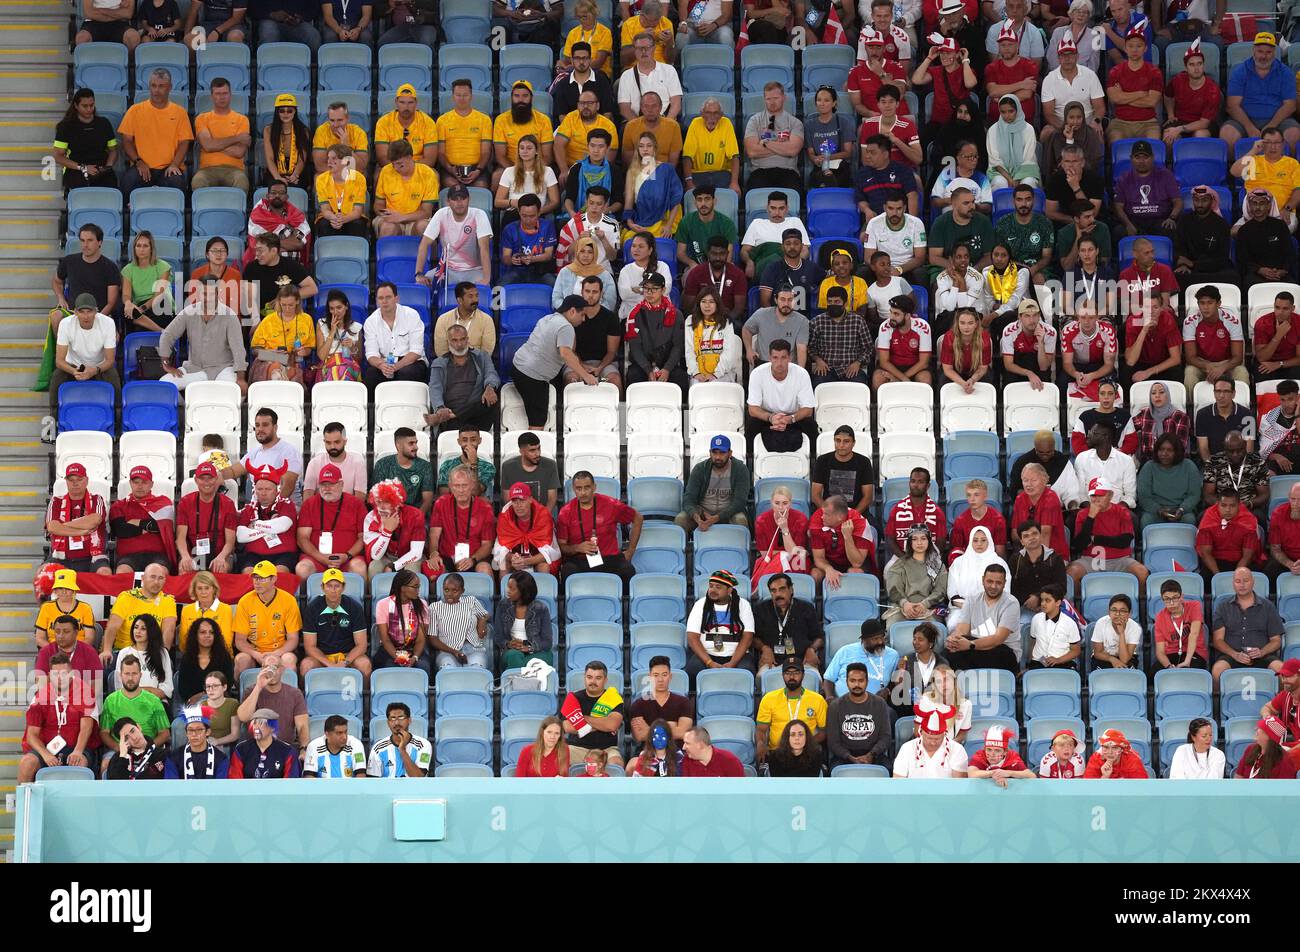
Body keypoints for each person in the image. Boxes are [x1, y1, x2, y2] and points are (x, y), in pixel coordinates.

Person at [17, 653, 98, 783]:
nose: (60, 678)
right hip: (47, 748)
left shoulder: (84, 691)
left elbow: (86, 727)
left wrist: (77, 751)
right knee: (27, 763)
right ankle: (24, 802)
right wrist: (45, 754)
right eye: (56, 674)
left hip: (76, 746)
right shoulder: (40, 697)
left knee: (79, 763)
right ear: (49, 675)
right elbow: (32, 735)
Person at [117, 68, 192, 195]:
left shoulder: (180, 112)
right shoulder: (135, 111)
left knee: (178, 183)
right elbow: (127, 141)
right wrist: (138, 162)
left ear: (170, 87)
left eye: (161, 86)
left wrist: (174, 164)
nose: (156, 91)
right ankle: (131, 212)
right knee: (128, 181)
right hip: (141, 166)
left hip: (168, 167)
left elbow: (184, 142)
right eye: (153, 86)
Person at [1222, 33, 1300, 152]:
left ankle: (1288, 168)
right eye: (1260, 51)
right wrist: (1249, 127)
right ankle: (1233, 169)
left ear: (1274, 52)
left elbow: (1290, 106)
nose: (1263, 56)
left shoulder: (1285, 73)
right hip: (1244, 119)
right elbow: (1232, 106)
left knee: (1294, 134)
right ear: (1253, 50)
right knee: (1227, 134)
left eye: (1268, 52)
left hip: (1278, 120)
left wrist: (1271, 126)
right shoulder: (1240, 71)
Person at [49, 295, 120, 422]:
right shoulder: (65, 324)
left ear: (96, 311)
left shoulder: (108, 323)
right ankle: (53, 425)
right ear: (75, 312)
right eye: (81, 312)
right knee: (56, 378)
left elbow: (110, 360)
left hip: (99, 365)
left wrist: (94, 370)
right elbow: (59, 361)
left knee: (115, 381)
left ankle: (117, 427)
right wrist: (74, 372)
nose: (86, 316)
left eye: (89, 311)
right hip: (73, 366)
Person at [1211, 566, 1286, 685]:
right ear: (1233, 583)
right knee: (1217, 671)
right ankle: (1219, 703)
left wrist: (1262, 652)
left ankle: (1284, 703)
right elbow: (1218, 640)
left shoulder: (1268, 607)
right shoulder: (1223, 607)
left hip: (1262, 655)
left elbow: (1276, 641)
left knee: (1282, 671)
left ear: (1253, 582)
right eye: (1238, 581)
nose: (1242, 585)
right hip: (1232, 655)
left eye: (1246, 581)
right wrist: (1234, 654)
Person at [294, 463, 368, 580]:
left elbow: (363, 537)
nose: (327, 488)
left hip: (348, 559)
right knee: (302, 569)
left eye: (331, 484)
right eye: (323, 484)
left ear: (341, 484)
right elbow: (302, 538)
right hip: (317, 558)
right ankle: (304, 599)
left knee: (359, 568)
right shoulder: (309, 504)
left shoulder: (356, 504)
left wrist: (347, 555)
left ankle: (361, 598)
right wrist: (321, 557)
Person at [745, 338, 818, 455]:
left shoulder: (801, 374)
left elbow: (808, 410)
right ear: (769, 358)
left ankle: (813, 463)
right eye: (775, 358)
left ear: (789, 357)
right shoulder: (757, 373)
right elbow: (753, 409)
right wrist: (771, 418)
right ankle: (750, 463)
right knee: (751, 425)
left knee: (811, 426)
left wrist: (790, 419)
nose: (779, 363)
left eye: (783, 358)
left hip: (793, 416)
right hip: (767, 416)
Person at [98, 655, 170, 772]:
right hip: (119, 749)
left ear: (140, 675)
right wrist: (119, 748)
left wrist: (147, 747)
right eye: (127, 674)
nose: (130, 678)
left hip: (148, 748)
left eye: (134, 674)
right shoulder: (110, 701)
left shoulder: (154, 700)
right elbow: (104, 733)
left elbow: (165, 733)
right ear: (120, 675)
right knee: (106, 765)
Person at [685, 569, 756, 684]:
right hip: (707, 655)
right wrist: (709, 662)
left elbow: (747, 638)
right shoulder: (700, 604)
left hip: (736, 656)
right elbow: (692, 637)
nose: (712, 590)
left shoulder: (743, 605)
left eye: (718, 587)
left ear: (729, 590)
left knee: (747, 671)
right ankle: (695, 702)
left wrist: (733, 663)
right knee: (693, 670)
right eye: (711, 586)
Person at [427, 326, 500, 436]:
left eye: (462, 339)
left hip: (477, 417)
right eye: (454, 340)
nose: (459, 344)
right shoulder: (439, 363)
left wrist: (490, 387)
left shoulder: (482, 356)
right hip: (452, 420)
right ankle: (449, 415)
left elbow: (491, 373)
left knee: (492, 399)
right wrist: (440, 408)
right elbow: (435, 388)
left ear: (467, 339)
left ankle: (451, 415)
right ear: (448, 342)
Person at [232, 562, 302, 676]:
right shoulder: (245, 601)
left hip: (281, 650)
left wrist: (275, 654)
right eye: (255, 578)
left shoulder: (288, 600)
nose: (257, 582)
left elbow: (293, 639)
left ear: (273, 579)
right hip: (254, 651)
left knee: (289, 660)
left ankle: (288, 693)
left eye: (262, 578)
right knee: (241, 660)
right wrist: (256, 654)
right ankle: (245, 694)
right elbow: (240, 640)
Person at [49, 224, 120, 337]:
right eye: (82, 241)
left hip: (99, 314)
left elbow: (111, 303)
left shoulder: (110, 267)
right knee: (56, 316)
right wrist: (61, 298)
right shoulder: (69, 261)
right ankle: (62, 352)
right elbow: (56, 281)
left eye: (90, 240)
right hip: (73, 313)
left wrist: (94, 318)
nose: (85, 245)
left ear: (100, 242)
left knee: (115, 337)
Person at [300, 567, 371, 680]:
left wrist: (345, 662)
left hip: (348, 654)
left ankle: (365, 697)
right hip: (322, 656)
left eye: (337, 586)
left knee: (364, 664)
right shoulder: (312, 608)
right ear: (322, 587)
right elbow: (310, 647)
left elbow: (361, 645)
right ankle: (304, 697)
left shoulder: (354, 607)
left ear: (343, 587)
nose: (333, 590)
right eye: (329, 586)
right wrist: (330, 664)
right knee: (306, 665)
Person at [415, 185, 494, 286]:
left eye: (463, 198)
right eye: (455, 199)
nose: (459, 203)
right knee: (420, 285)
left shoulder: (479, 215)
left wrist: (486, 279)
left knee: (483, 290)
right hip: (447, 270)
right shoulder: (441, 214)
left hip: (474, 270)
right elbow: (424, 244)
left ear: (469, 199)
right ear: (448, 201)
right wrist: (418, 273)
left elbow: (484, 248)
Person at [676, 434, 751, 535]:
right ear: (710, 453)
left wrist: (716, 518)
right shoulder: (700, 469)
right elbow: (689, 498)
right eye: (714, 453)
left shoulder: (740, 469)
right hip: (702, 513)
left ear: (730, 453)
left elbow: (739, 502)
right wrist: (696, 517)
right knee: (681, 519)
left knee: (740, 520)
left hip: (729, 513)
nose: (718, 457)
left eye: (722, 453)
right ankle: (683, 550)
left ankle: (740, 550)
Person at [101, 561, 176, 659]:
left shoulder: (168, 600)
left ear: (165, 580)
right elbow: (112, 627)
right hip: (123, 652)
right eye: (152, 577)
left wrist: (162, 654)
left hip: (151, 654)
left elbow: (168, 630)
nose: (156, 582)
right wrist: (107, 650)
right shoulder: (126, 597)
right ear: (143, 579)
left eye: (160, 578)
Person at [625, 271, 687, 389]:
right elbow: (635, 347)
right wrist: (648, 369)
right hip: (643, 365)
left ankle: (681, 408)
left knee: (680, 377)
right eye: (646, 288)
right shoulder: (634, 314)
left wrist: (667, 368)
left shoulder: (676, 314)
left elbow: (678, 346)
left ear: (663, 290)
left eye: (654, 289)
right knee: (634, 376)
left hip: (667, 362)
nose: (649, 292)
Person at [361, 282, 428, 391]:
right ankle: (377, 407)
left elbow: (416, 351)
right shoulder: (370, 322)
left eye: (388, 297)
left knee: (405, 374)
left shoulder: (411, 315)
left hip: (411, 361)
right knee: (371, 375)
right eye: (381, 298)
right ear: (377, 301)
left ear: (396, 298)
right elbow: (371, 354)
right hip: (384, 362)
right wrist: (382, 365)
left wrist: (396, 367)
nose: (384, 301)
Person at [1182, 284, 1247, 394]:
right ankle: (1191, 408)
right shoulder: (1190, 322)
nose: (1205, 307)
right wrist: (1207, 366)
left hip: (1227, 363)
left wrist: (1222, 368)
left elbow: (1238, 357)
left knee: (1242, 373)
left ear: (1218, 304)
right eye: (1202, 303)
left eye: (1210, 303)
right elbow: (1190, 357)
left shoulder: (1232, 321)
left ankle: (1241, 408)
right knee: (1190, 373)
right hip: (1202, 364)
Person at [825, 662, 891, 768]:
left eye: (861, 681)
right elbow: (833, 742)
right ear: (846, 682)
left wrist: (871, 755)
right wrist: (850, 757)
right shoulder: (835, 706)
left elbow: (885, 737)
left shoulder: (880, 703)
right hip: (844, 757)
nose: (857, 685)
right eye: (852, 681)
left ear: (867, 682)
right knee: (834, 771)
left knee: (887, 768)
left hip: (874, 755)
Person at [753, 573, 823, 672]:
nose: (778, 594)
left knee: (813, 677)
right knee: (763, 677)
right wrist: (764, 648)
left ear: (791, 589)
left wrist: (811, 649)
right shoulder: (761, 609)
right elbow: (753, 637)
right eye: (773, 591)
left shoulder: (806, 608)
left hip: (802, 660)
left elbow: (819, 637)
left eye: (782, 589)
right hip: (772, 660)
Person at [51, 88, 118, 192]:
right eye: (85, 106)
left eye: (92, 105)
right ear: (76, 106)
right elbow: (58, 156)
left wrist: (108, 167)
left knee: (111, 191)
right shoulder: (65, 127)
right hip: (76, 170)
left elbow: (113, 150)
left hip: (101, 169)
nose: (89, 109)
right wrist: (83, 167)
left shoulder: (104, 123)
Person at [561, 660, 625, 767]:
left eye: (598, 678)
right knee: (559, 759)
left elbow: (612, 724)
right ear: (584, 678)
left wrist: (582, 719)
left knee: (616, 764)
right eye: (589, 677)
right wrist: (602, 723)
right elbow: (568, 726)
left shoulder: (613, 698)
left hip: (606, 749)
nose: (593, 681)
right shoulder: (574, 698)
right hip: (577, 748)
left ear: (605, 680)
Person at [192, 77, 251, 193]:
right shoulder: (202, 118)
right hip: (207, 170)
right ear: (212, 96)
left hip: (234, 170)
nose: (222, 97)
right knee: (198, 181)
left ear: (230, 94)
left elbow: (239, 152)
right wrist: (237, 138)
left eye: (225, 93)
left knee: (242, 181)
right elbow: (207, 146)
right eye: (218, 94)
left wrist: (214, 143)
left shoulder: (242, 119)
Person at [1105, 24, 1163, 144]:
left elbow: (1151, 102)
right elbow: (1114, 99)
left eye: (1139, 46)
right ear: (1125, 48)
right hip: (1120, 122)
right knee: (1115, 142)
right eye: (1130, 46)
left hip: (1148, 122)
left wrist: (1123, 95)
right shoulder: (1115, 71)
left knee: (1154, 145)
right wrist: (1141, 94)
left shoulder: (1154, 72)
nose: (1134, 50)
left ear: (1145, 48)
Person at [1136, 435, 1200, 537]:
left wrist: (1182, 509)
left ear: (1177, 452)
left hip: (1182, 511)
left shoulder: (1189, 466)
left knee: (1189, 520)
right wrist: (1159, 510)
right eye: (1161, 450)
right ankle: (1149, 551)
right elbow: (1144, 497)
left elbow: (1194, 495)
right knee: (1146, 520)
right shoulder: (1149, 467)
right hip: (1155, 511)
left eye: (1169, 450)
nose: (1164, 453)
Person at [372, 139, 437, 239]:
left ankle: (429, 255)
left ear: (410, 158)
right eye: (393, 164)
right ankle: (383, 254)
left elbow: (426, 212)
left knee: (423, 227)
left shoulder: (427, 174)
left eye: (400, 164)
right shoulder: (386, 171)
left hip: (417, 219)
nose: (396, 169)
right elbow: (378, 205)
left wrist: (401, 217)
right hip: (391, 219)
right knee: (388, 227)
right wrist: (387, 214)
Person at [435, 79, 492, 191]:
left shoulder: (484, 120)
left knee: (480, 188)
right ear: (453, 96)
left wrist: (478, 170)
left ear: (471, 96)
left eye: (465, 95)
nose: (462, 98)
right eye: (458, 95)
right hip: (450, 168)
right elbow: (440, 152)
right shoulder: (442, 120)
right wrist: (450, 169)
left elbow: (486, 151)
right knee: (453, 187)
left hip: (477, 167)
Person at [884, 525, 948, 625]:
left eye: (923, 538)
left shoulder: (938, 565)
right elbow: (894, 590)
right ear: (910, 542)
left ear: (929, 541)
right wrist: (905, 604)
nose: (919, 543)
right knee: (893, 626)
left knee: (933, 629)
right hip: (902, 607)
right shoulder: (899, 565)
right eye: (915, 539)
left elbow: (940, 591)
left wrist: (924, 604)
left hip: (929, 608)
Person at [242, 232, 317, 316]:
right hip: (259, 317)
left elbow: (312, 288)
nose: (257, 254)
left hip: (286, 314)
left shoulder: (291, 265)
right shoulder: (251, 268)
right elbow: (248, 299)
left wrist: (285, 298)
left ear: (274, 251)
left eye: (260, 250)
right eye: (256, 250)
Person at [492, 482, 559, 577]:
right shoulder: (505, 518)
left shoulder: (543, 516)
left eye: (522, 500)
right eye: (515, 501)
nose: (518, 505)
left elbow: (549, 552)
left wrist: (526, 561)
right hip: (515, 561)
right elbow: (499, 549)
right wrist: (512, 558)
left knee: (544, 567)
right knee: (504, 566)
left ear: (530, 499)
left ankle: (544, 592)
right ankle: (505, 592)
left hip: (536, 560)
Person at [823, 618, 900, 699]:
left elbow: (894, 682)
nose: (880, 642)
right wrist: (830, 698)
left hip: (875, 705)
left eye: (882, 637)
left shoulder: (893, 655)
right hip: (843, 704)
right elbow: (828, 679)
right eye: (875, 639)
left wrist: (887, 690)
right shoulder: (845, 651)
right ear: (863, 640)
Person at [494, 570, 555, 670]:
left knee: (537, 661)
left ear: (523, 591)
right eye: (508, 587)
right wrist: (509, 644)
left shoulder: (541, 609)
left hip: (537, 651)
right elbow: (498, 637)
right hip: (512, 651)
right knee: (514, 656)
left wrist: (529, 647)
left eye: (512, 588)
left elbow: (547, 642)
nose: (507, 591)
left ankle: (518, 678)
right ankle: (522, 679)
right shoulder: (503, 606)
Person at [1238, 187, 1299, 288]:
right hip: (1256, 274)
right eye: (1254, 203)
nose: (1258, 207)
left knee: (1293, 287)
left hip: (1280, 273)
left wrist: (1283, 270)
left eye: (1262, 203)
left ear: (1268, 206)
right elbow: (1242, 259)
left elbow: (1290, 253)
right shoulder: (1244, 230)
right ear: (1250, 205)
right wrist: (1260, 270)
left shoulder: (1280, 226)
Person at [1195, 489, 1260, 583]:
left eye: (1232, 506)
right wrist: (1218, 576)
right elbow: (1206, 553)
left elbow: (1247, 556)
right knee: (1204, 578)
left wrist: (1237, 577)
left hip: (1240, 561)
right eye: (1223, 505)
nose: (1228, 510)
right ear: (1218, 504)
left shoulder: (1248, 521)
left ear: (1239, 505)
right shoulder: (1208, 519)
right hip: (1215, 561)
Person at [893, 700, 968, 777]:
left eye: (937, 739)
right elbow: (898, 780)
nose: (933, 742)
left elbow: (959, 784)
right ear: (921, 732)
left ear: (945, 734)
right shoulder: (907, 748)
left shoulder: (957, 749)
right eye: (929, 738)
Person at [985, 22, 1041, 125]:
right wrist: (1021, 84)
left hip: (1025, 122)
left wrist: (1001, 98)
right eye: (1003, 45)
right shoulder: (991, 68)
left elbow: (1026, 94)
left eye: (1010, 44)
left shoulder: (1029, 65)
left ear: (1017, 45)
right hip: (997, 123)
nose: (1006, 48)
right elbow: (993, 91)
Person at [872, 294, 933, 390]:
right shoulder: (885, 327)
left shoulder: (923, 327)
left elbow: (923, 363)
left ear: (908, 316)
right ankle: (879, 405)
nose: (891, 317)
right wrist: (904, 378)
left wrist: (898, 379)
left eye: (896, 314)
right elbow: (884, 362)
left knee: (925, 379)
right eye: (891, 312)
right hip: (891, 366)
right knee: (878, 379)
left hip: (915, 367)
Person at [682, 231, 745, 321]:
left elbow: (738, 308)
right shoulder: (696, 273)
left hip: (728, 320)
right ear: (708, 253)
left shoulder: (738, 274)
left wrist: (724, 323)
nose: (718, 258)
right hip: (701, 321)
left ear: (727, 253)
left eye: (722, 254)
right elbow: (688, 307)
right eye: (714, 254)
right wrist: (705, 323)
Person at [627, 656, 693, 744]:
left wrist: (649, 729)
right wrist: (671, 726)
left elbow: (683, 733)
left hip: (676, 751)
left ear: (670, 676)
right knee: (634, 759)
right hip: (648, 751)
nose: (660, 680)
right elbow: (640, 736)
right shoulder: (638, 704)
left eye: (664, 675)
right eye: (656, 675)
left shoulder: (684, 702)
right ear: (649, 677)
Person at [681, 98, 741, 194]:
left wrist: (734, 183)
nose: (711, 117)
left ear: (721, 115)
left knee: (734, 194)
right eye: (708, 113)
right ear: (702, 114)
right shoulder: (695, 124)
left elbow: (734, 157)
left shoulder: (726, 123)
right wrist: (689, 182)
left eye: (716, 113)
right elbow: (687, 157)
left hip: (722, 173)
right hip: (698, 174)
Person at [884, 467, 948, 557]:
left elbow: (941, 541)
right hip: (902, 557)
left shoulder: (936, 511)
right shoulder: (897, 509)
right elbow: (890, 539)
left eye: (920, 482)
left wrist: (927, 559)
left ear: (928, 486)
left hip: (929, 558)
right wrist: (906, 559)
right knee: (889, 571)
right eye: (913, 481)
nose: (916, 485)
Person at [1007, 519, 1067, 613]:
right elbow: (1011, 588)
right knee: (1024, 624)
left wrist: (1039, 598)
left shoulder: (1055, 558)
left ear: (1041, 536)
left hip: (1052, 606)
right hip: (1024, 606)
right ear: (1022, 541)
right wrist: (1029, 602)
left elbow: (1061, 587)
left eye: (1035, 534)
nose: (1031, 538)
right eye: (1026, 536)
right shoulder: (1015, 560)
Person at [864, 196, 928, 285]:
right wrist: (883, 268)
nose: (895, 213)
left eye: (899, 208)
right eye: (890, 208)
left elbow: (920, 258)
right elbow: (868, 257)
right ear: (884, 208)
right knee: (863, 271)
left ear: (905, 208)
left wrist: (899, 269)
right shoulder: (874, 223)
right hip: (881, 268)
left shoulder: (916, 223)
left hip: (906, 268)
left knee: (921, 274)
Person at [804, 85, 857, 190]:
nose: (822, 104)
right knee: (821, 177)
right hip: (819, 167)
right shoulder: (809, 125)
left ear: (834, 103)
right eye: (819, 100)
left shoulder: (843, 122)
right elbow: (810, 153)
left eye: (826, 100)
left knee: (830, 178)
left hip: (839, 166)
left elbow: (848, 153)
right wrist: (815, 159)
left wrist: (828, 157)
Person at [244, 183, 311, 267]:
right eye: (273, 192)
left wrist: (273, 244)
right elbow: (260, 243)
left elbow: (299, 243)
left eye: (281, 193)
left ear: (286, 197)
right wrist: (288, 244)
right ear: (268, 196)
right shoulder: (258, 215)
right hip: (264, 263)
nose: (277, 195)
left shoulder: (295, 215)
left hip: (290, 265)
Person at [498, 139, 560, 227]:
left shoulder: (547, 171)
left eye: (529, 148)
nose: (525, 151)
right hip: (515, 212)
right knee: (511, 219)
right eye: (522, 148)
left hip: (539, 212)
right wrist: (512, 202)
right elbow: (497, 201)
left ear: (536, 151)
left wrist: (537, 212)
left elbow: (555, 202)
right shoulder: (509, 171)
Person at [685, 290, 743, 384]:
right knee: (697, 390)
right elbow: (689, 351)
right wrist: (696, 373)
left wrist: (716, 374)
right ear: (698, 303)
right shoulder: (690, 321)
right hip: (698, 374)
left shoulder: (726, 321)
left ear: (717, 304)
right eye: (703, 301)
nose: (707, 305)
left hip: (723, 373)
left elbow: (728, 353)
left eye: (711, 302)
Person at [753, 485, 810, 581]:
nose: (781, 507)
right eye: (777, 503)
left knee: (798, 561)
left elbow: (796, 553)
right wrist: (783, 556)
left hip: (796, 561)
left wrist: (785, 529)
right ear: (771, 503)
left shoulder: (801, 519)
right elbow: (764, 553)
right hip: (771, 560)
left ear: (790, 503)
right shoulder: (761, 521)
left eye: (785, 503)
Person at [375, 84, 438, 169]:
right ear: (396, 102)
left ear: (416, 103)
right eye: (402, 102)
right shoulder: (383, 122)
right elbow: (383, 158)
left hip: (419, 166)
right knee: (378, 176)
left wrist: (408, 168)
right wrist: (400, 167)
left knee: (435, 175)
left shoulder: (427, 122)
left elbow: (430, 160)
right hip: (391, 166)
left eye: (410, 102)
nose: (406, 107)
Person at [120, 231, 173, 332]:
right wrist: (128, 303)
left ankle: (145, 324)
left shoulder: (163, 267)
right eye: (138, 246)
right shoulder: (128, 270)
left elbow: (159, 295)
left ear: (151, 249)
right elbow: (126, 295)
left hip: (158, 304)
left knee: (160, 305)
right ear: (134, 249)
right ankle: (161, 331)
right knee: (125, 310)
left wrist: (141, 309)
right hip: (139, 306)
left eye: (145, 246)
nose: (141, 249)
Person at [175, 616, 235, 705]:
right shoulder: (187, 658)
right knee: (178, 720)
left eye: (211, 632)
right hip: (193, 706)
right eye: (203, 632)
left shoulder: (224, 657)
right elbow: (183, 689)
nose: (208, 635)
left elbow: (227, 685)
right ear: (195, 635)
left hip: (218, 704)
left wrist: (203, 695)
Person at [229, 708, 302, 778]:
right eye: (254, 724)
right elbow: (235, 780)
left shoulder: (287, 751)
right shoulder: (241, 749)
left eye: (261, 724)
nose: (256, 728)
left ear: (272, 727)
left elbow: (291, 782)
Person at [744, 285, 810, 364]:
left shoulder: (802, 321)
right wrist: (749, 350)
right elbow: (746, 329)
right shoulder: (761, 314)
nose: (786, 304)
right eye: (782, 299)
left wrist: (800, 373)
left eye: (790, 300)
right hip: (764, 363)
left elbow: (801, 349)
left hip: (789, 365)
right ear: (776, 300)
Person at [986, 95, 1039, 191]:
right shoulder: (993, 130)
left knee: (1028, 183)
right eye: (1003, 112)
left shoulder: (1028, 129)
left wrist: (1018, 178)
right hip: (1000, 171)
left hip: (1025, 170)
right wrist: (1009, 179)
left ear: (1017, 110)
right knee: (1000, 182)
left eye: (1011, 111)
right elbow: (994, 160)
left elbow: (1028, 158)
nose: (1007, 116)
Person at [948, 525, 1009, 608]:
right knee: (955, 621)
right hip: (961, 608)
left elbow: (1005, 591)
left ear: (989, 541)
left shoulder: (999, 563)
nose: (979, 544)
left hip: (991, 608)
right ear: (970, 541)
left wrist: (985, 607)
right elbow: (952, 592)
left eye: (983, 540)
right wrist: (967, 606)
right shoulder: (959, 562)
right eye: (975, 540)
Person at [115, 614, 173, 701]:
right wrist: (145, 692)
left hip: (156, 701)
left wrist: (141, 692)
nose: (138, 631)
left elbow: (167, 688)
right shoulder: (124, 653)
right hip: (130, 701)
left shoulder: (162, 653)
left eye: (143, 629)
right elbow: (119, 686)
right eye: (136, 627)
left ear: (151, 631)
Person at [1026, 583, 1083, 670]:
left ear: (1058, 602)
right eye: (1042, 600)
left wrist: (1058, 660)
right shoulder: (1036, 619)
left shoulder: (1070, 623)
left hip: (1063, 662)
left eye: (1048, 600)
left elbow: (1076, 650)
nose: (1043, 604)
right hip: (1039, 662)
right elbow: (1033, 642)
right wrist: (1029, 664)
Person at [303, 424, 367, 502]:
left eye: (337, 442)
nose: (332, 446)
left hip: (348, 510)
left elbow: (359, 498)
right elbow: (308, 496)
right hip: (320, 510)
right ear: (324, 442)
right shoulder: (314, 463)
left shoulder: (357, 462)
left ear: (345, 441)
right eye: (328, 443)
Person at [498, 432, 561, 512]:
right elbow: (508, 500)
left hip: (543, 514)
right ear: (521, 451)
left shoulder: (550, 465)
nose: (537, 453)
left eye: (539, 448)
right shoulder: (508, 467)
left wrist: (542, 517)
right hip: (518, 514)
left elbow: (552, 499)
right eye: (532, 450)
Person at [163, 705, 230, 779]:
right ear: (186, 733)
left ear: (208, 732)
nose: (194, 734)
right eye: (190, 730)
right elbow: (172, 787)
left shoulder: (220, 758)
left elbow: (221, 787)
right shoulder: (174, 757)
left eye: (199, 729)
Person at [434, 283, 497, 360]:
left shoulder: (486, 320)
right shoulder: (443, 320)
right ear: (459, 300)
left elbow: (487, 351)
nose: (475, 300)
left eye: (477, 296)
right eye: (470, 296)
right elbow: (441, 350)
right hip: (449, 364)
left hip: (477, 363)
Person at [367, 702, 432, 777]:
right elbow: (372, 782)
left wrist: (402, 750)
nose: (397, 723)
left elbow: (418, 777)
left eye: (401, 717)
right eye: (393, 718)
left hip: (414, 788)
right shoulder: (378, 748)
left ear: (409, 720)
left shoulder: (423, 745)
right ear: (388, 723)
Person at [312, 101, 369, 177]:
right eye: (332, 120)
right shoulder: (321, 131)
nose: (335, 125)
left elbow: (361, 167)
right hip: (328, 173)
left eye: (340, 120)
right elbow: (319, 166)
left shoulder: (359, 133)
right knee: (318, 177)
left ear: (347, 119)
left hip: (351, 174)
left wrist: (346, 148)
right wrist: (341, 172)